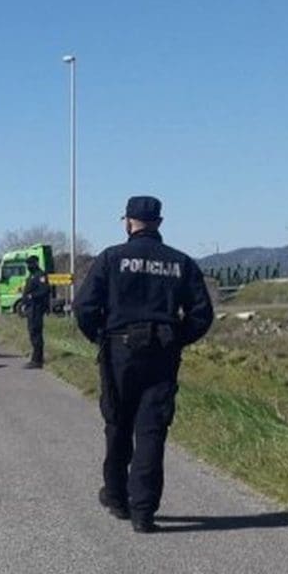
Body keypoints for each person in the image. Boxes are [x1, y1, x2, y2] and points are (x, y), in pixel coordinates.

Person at [73, 195, 214, 533]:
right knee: (152, 430)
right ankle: (144, 512)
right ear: (159, 223)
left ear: (128, 222)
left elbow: (84, 307)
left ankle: (118, 499)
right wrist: (177, 339)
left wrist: (100, 337)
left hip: (119, 351)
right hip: (162, 352)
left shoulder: (111, 258)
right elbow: (202, 315)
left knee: (118, 423)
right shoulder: (181, 263)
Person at [21, 255, 50, 368]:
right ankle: (35, 357)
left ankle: (37, 360)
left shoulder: (40, 275)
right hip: (30, 308)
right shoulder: (31, 276)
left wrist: (32, 296)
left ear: (36, 263)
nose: (28, 266)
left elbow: (45, 290)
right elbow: (26, 292)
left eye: (30, 264)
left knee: (36, 333)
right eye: (27, 264)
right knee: (32, 333)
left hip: (37, 308)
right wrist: (24, 303)